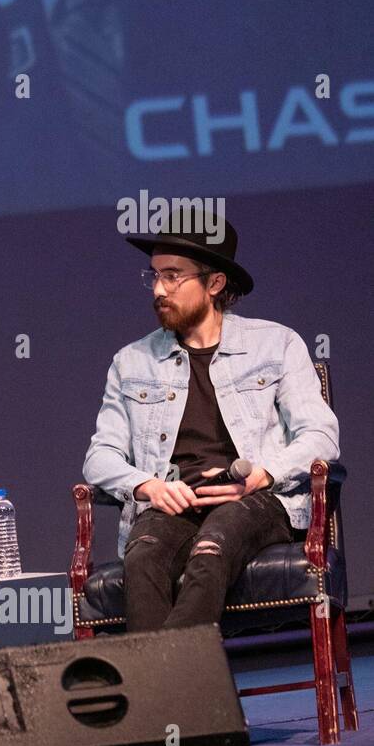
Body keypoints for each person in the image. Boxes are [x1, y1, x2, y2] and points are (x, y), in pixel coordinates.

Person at [83, 216, 339, 631]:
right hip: (174, 501)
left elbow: (320, 435)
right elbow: (100, 457)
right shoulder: (132, 362)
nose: (158, 289)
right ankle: (174, 689)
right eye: (154, 275)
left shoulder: (276, 344)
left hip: (252, 500)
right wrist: (149, 487)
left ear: (215, 283)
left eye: (172, 276)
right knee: (144, 555)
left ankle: (160, 686)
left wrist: (265, 474)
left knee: (212, 546)